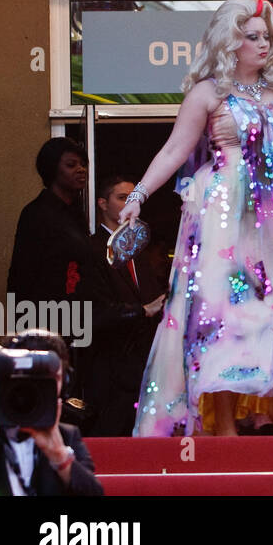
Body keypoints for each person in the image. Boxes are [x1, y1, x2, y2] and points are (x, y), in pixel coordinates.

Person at [122, 0, 273, 437]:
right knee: (227, 318)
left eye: (266, 36)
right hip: (225, 223)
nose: (263, 44)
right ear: (231, 43)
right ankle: (224, 425)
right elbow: (175, 149)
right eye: (252, 37)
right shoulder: (208, 93)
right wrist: (139, 194)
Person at [81, 174, 167, 437]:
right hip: (107, 368)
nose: (130, 203)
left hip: (143, 367)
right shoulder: (89, 250)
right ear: (102, 204)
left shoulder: (140, 253)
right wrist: (141, 311)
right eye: (122, 198)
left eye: (133, 198)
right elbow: (90, 312)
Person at [0, 330, 103, 496]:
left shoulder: (68, 436)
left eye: (47, 381)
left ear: (64, 382)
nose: (33, 389)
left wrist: (59, 454)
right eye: (25, 378)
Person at [8, 138, 91, 305]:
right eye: (71, 165)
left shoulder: (76, 214)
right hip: (46, 314)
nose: (81, 170)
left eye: (83, 164)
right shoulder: (36, 213)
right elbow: (22, 274)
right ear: (52, 169)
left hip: (77, 313)